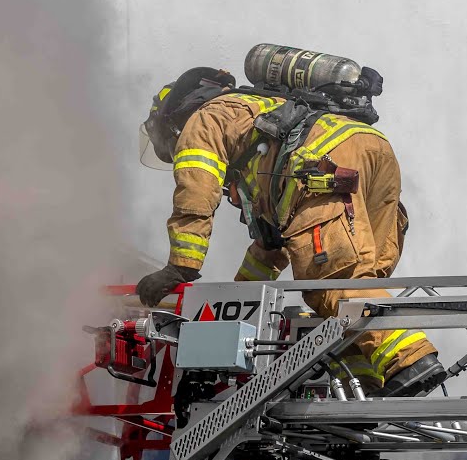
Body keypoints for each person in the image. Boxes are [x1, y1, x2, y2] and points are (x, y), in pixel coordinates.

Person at [134, 57, 446, 397]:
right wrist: (241, 297)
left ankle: (412, 359)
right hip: (371, 149)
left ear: (172, 118)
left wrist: (180, 266)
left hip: (324, 164)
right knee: (355, 282)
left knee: (331, 282)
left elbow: (196, 191)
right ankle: (365, 386)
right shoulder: (262, 116)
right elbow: (273, 244)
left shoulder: (204, 120)